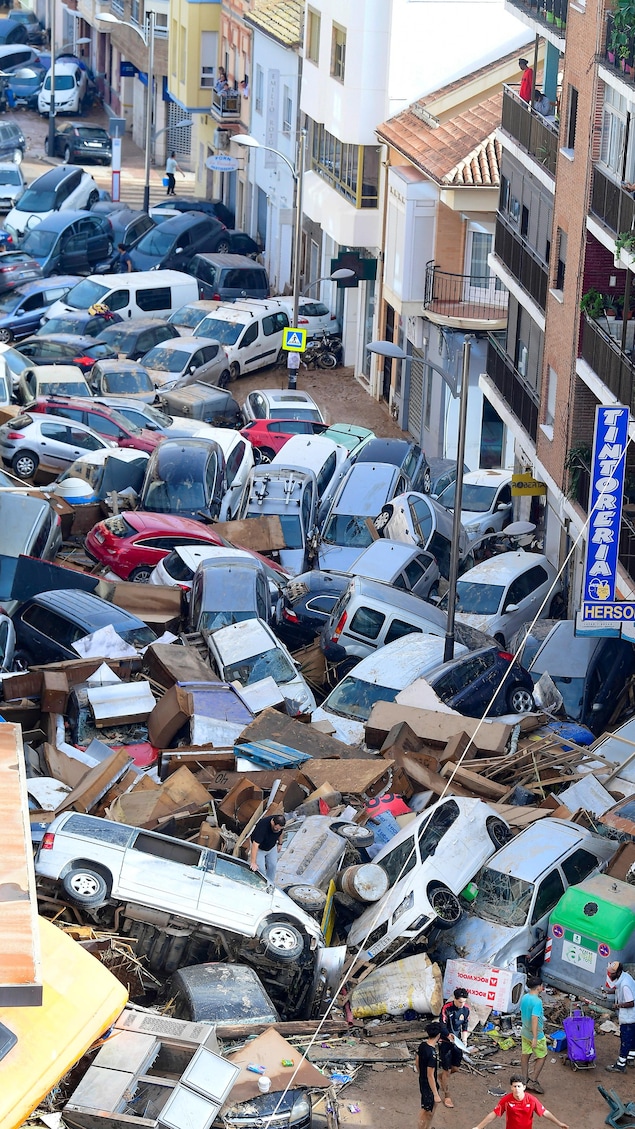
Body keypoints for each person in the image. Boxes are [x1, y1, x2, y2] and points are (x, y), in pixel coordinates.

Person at [471, 1075, 568, 1129]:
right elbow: (494, 1114)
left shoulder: (531, 1100)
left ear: (524, 1087)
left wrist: (559, 1123)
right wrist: (478, 1127)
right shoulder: (506, 1100)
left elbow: (545, 1112)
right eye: (514, 1086)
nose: (517, 1089)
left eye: (519, 1086)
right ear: (511, 1087)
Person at [438, 986, 470, 1107]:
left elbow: (465, 1025)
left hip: (458, 1042)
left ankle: (441, 1077)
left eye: (464, 1002)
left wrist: (465, 1040)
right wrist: (448, 1036)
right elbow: (442, 1025)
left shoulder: (466, 1009)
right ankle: (447, 1096)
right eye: (460, 1002)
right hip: (445, 1041)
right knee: (446, 1070)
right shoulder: (447, 1008)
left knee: (455, 1068)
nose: (462, 1004)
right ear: (455, 999)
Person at [605, 960, 635, 1072]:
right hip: (633, 1016)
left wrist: (618, 1005)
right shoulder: (625, 977)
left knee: (626, 1039)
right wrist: (609, 992)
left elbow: (631, 1002)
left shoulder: (625, 985)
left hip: (629, 1017)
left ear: (617, 973)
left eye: (612, 973)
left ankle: (620, 1065)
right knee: (632, 1038)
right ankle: (631, 1058)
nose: (610, 975)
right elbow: (619, 990)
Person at [520, 976, 548, 1093]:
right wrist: (535, 1037)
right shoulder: (537, 1001)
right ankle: (533, 1081)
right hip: (536, 1034)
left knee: (525, 1055)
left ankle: (524, 1079)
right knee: (542, 1056)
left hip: (525, 1032)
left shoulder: (525, 997)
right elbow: (535, 1019)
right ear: (539, 987)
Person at [415, 1021, 442, 1129]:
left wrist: (420, 1074)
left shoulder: (422, 1046)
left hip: (423, 1080)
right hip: (429, 1084)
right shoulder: (432, 1054)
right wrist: (436, 1094)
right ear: (438, 1035)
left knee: (429, 1108)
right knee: (426, 1110)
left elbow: (416, 1061)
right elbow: (430, 1075)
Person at [249, 812, 286, 883]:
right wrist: (253, 862)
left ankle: (270, 883)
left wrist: (280, 844)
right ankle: (261, 883)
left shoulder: (280, 825)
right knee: (261, 869)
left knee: (273, 866)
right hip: (259, 849)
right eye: (275, 828)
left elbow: (281, 832)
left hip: (271, 847)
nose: (277, 830)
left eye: (279, 829)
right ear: (272, 822)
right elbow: (255, 845)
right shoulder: (263, 826)